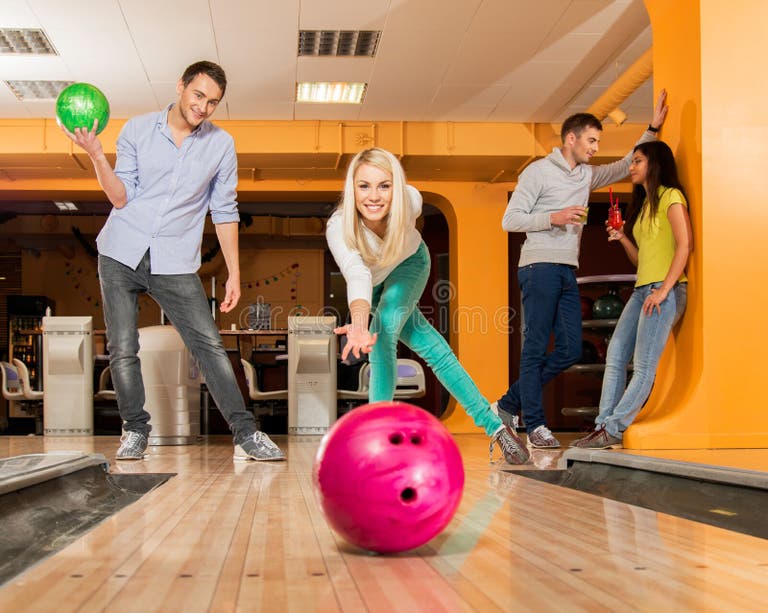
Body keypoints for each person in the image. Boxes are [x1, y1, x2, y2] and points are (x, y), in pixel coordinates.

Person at [62, 61, 285, 462]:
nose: (203, 107)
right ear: (181, 86)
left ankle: (247, 433)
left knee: (210, 346)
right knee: (123, 348)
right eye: (198, 95)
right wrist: (97, 154)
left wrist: (234, 272)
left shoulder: (220, 145)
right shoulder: (137, 129)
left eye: (213, 102)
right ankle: (134, 430)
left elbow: (225, 210)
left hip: (175, 260)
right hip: (120, 252)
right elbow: (119, 197)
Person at [326, 147, 530, 465]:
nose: (374, 196)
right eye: (364, 185)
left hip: (409, 266)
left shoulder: (411, 202)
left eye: (384, 185)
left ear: (397, 187)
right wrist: (358, 322)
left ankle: (374, 439)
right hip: (373, 283)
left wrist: (369, 327)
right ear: (352, 189)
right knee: (435, 351)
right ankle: (497, 427)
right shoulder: (339, 227)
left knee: (382, 334)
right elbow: (357, 274)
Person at [491, 91, 669, 449]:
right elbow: (509, 220)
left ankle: (508, 405)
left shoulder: (586, 175)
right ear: (570, 139)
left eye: (597, 141)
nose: (594, 147)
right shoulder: (537, 172)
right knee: (536, 348)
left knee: (572, 348)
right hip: (538, 266)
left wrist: (651, 129)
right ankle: (535, 425)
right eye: (590, 140)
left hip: (566, 269)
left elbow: (623, 165)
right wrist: (553, 217)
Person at [571, 140, 692, 448]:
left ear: (654, 164)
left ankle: (614, 427)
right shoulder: (645, 206)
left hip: (665, 291)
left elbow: (685, 244)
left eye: (637, 161)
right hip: (642, 290)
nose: (632, 167)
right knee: (615, 355)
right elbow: (641, 260)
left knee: (643, 366)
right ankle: (603, 426)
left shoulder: (671, 197)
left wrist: (664, 290)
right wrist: (624, 238)